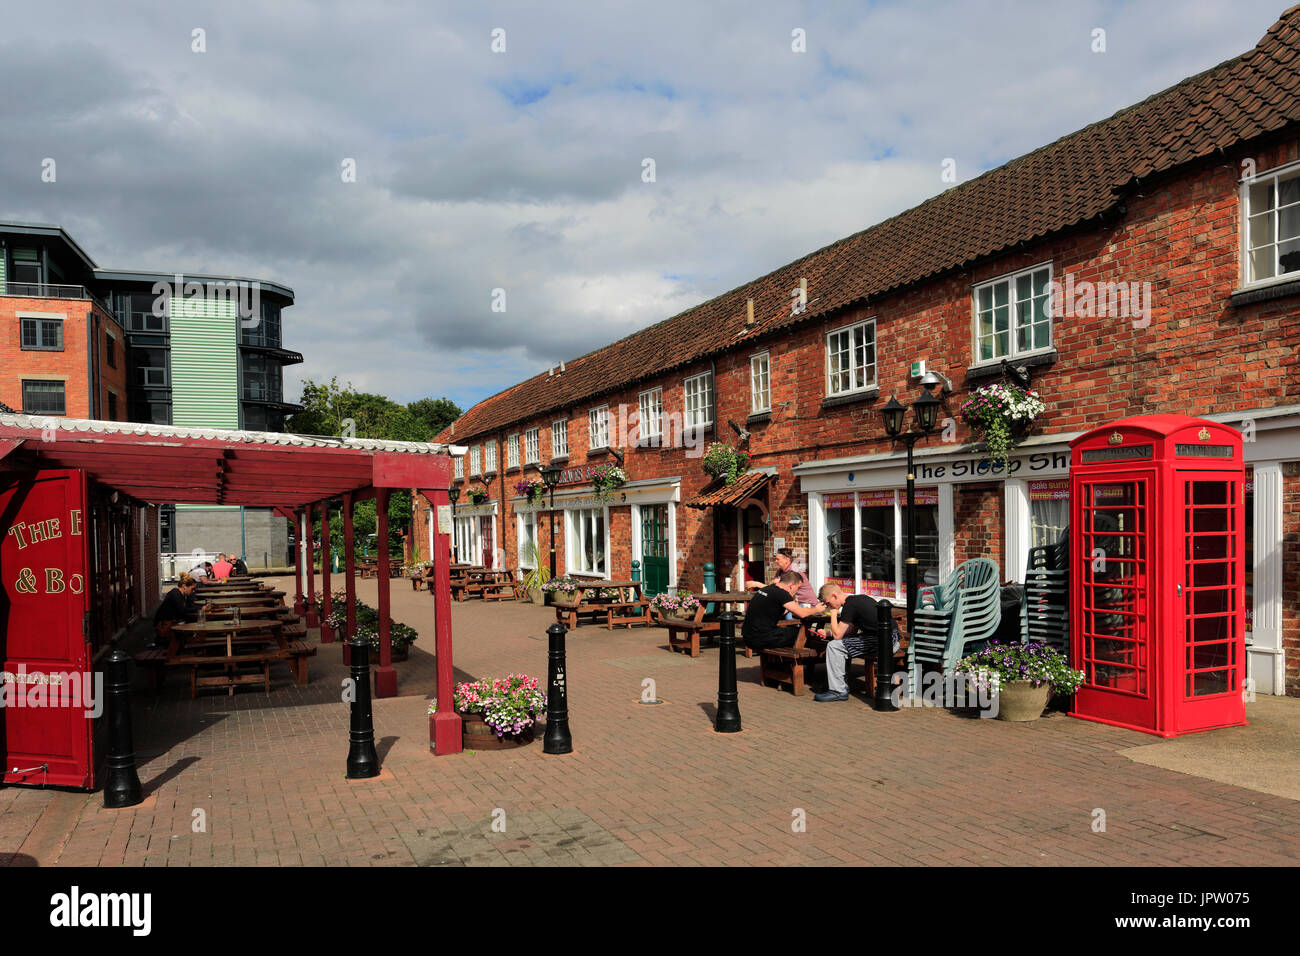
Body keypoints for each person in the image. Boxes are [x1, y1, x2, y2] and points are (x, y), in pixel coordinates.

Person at [810, 583, 901, 702]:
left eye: (828, 603)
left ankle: (838, 690)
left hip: (885, 642)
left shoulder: (849, 605)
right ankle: (838, 683)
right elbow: (850, 630)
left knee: (834, 646)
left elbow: (837, 636)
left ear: (834, 596)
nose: (828, 606)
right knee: (842, 644)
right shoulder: (857, 600)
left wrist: (833, 614)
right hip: (888, 638)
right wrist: (828, 634)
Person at [742, 571, 826, 651]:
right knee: (802, 634)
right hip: (760, 639)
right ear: (791, 585)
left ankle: (784, 663)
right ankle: (799, 662)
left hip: (748, 636)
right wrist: (816, 609)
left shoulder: (767, 589)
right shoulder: (782, 594)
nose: (797, 591)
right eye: (798, 588)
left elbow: (772, 611)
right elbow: (802, 613)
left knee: (792, 632)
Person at [153, 573, 211, 648]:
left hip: (172, 620)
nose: (193, 591)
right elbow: (183, 610)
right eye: (192, 589)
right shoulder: (176, 594)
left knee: (193, 622)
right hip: (163, 624)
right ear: (184, 586)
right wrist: (201, 608)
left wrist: (200, 607)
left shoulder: (182, 594)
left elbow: (188, 607)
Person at [767, 548, 816, 617]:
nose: (775, 561)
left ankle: (796, 628)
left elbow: (783, 590)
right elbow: (773, 587)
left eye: (778, 559)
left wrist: (756, 584)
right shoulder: (780, 571)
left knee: (788, 617)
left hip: (806, 604)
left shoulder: (794, 572)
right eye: (775, 559)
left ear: (787, 560)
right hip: (793, 602)